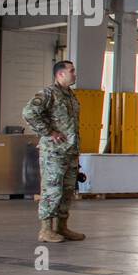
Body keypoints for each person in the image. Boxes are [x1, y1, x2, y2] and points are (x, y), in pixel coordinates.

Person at [23, 60, 84, 244]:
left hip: (70, 151)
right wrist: (49, 132)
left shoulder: (71, 96)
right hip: (54, 153)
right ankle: (46, 230)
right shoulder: (48, 93)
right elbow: (29, 112)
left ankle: (62, 227)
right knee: (52, 190)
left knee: (67, 191)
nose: (74, 74)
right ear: (60, 74)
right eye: (71, 71)